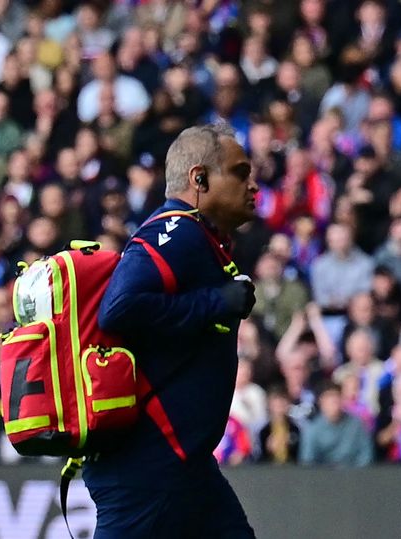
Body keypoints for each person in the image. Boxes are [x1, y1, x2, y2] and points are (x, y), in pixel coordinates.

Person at [89, 124, 259, 538]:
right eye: (240, 172)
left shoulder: (199, 236)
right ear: (198, 178)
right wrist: (217, 302)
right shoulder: (174, 231)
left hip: (188, 467)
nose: (252, 185)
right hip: (148, 467)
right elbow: (120, 307)